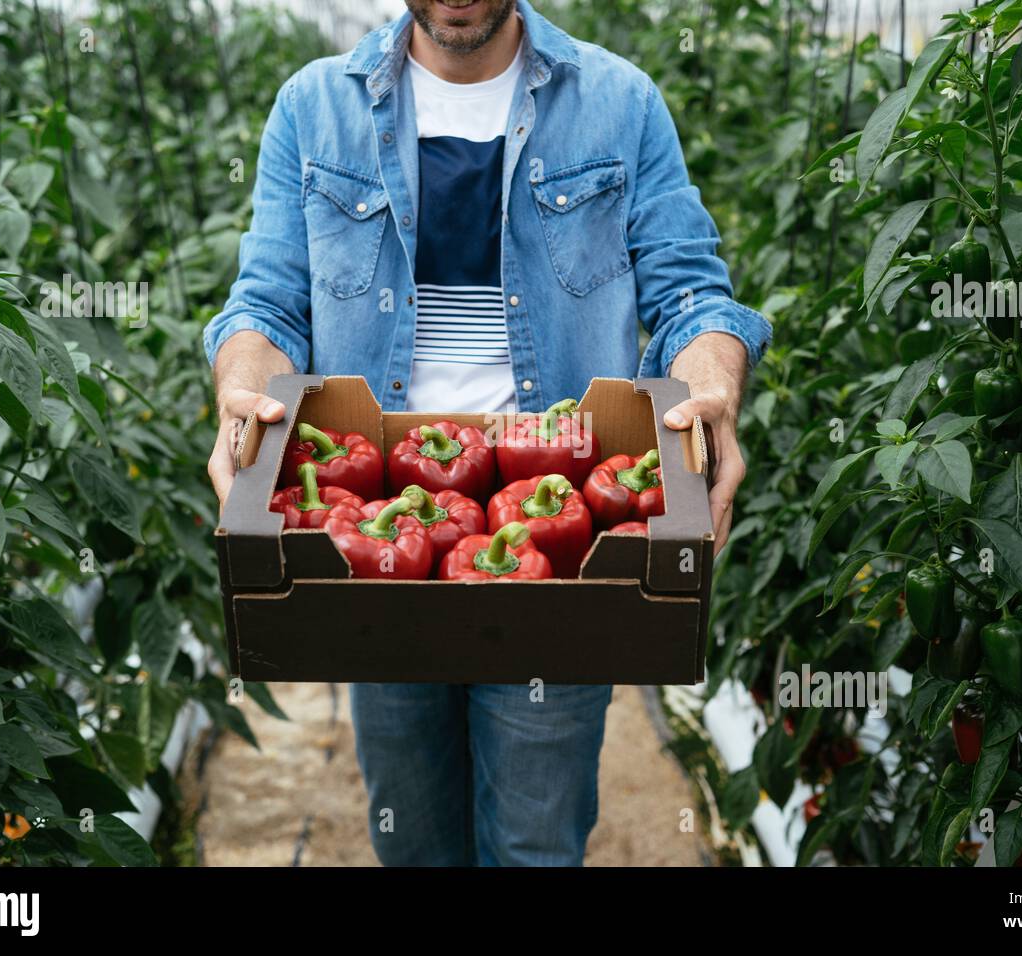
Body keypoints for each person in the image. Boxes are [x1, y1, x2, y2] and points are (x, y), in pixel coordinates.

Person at [203, 0, 771, 866]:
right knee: (413, 834)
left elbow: (689, 291)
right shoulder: (316, 107)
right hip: (378, 536)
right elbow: (268, 303)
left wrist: (711, 389)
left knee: (534, 841)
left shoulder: (618, 102)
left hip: (559, 531)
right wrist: (241, 391)